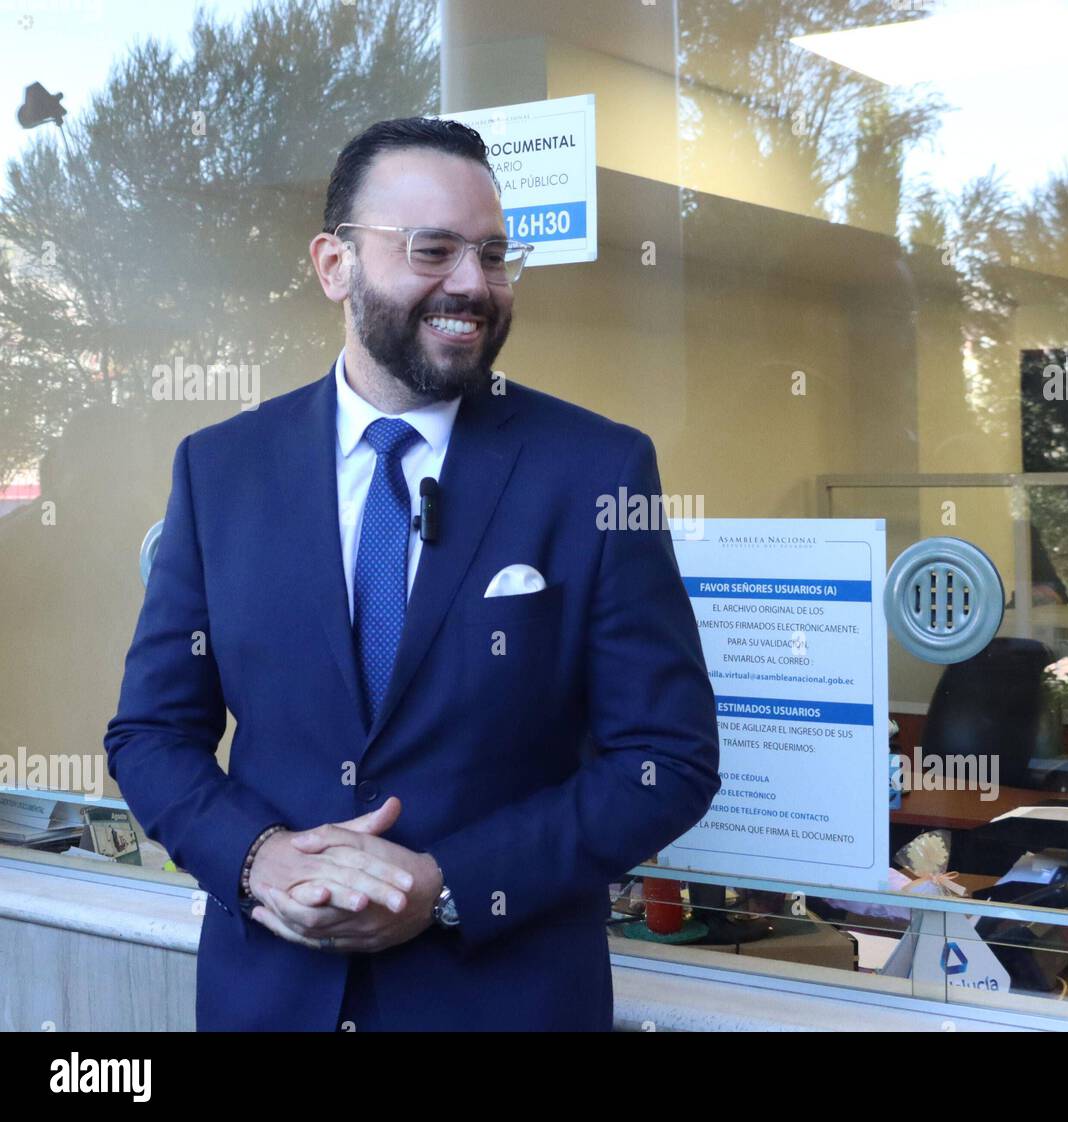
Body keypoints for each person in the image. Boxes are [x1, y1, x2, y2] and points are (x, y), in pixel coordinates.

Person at [104, 117, 721, 1031]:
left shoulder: (594, 470)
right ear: (334, 266)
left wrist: (450, 887)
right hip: (270, 999)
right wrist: (258, 859)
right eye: (433, 250)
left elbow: (667, 759)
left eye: (494, 254)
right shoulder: (222, 469)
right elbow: (152, 733)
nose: (473, 284)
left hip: (502, 1000)